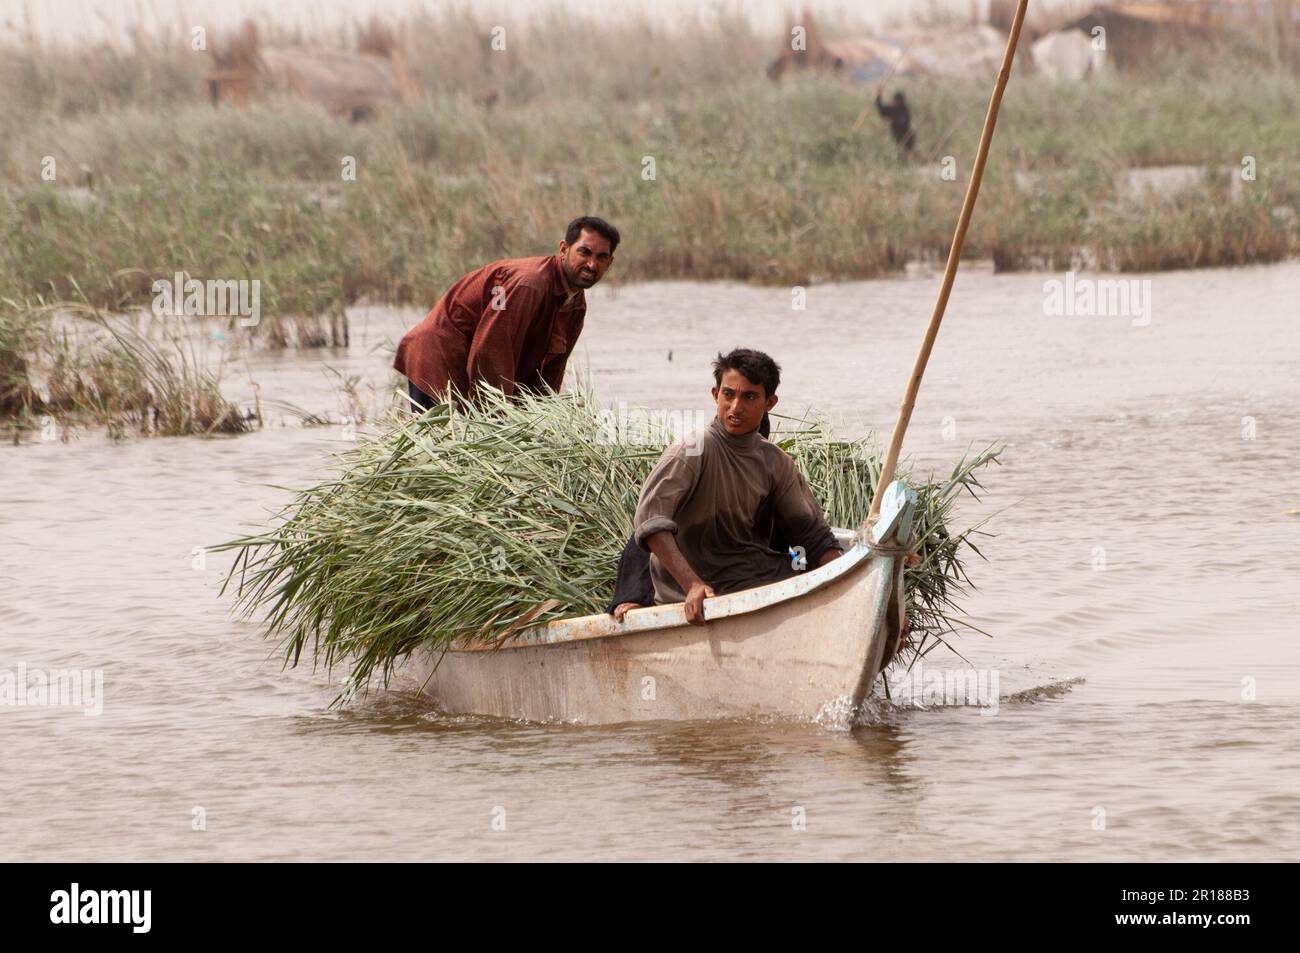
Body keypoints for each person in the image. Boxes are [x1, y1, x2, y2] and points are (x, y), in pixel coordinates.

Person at [611, 349, 842, 625]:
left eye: (749, 397)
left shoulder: (776, 462)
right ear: (715, 394)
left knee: (801, 563)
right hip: (699, 587)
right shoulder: (694, 450)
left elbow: (812, 537)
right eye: (728, 394)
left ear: (770, 402)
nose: (735, 407)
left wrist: (844, 581)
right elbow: (650, 522)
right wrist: (692, 584)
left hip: (751, 576)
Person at [393, 216, 619, 410]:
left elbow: (550, 373)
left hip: (471, 368)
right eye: (584, 252)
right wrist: (497, 418)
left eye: (601, 257)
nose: (591, 264)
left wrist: (542, 421)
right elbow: (490, 351)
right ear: (563, 249)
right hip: (440, 359)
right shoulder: (529, 285)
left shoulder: (577, 304)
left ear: (609, 263)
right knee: (441, 448)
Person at [875, 90, 916, 154]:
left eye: (897, 100)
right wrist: (878, 95)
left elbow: (904, 121)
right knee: (897, 150)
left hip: (905, 135)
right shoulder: (892, 108)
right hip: (896, 135)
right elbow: (881, 109)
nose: (895, 102)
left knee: (904, 151)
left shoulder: (904, 109)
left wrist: (892, 121)